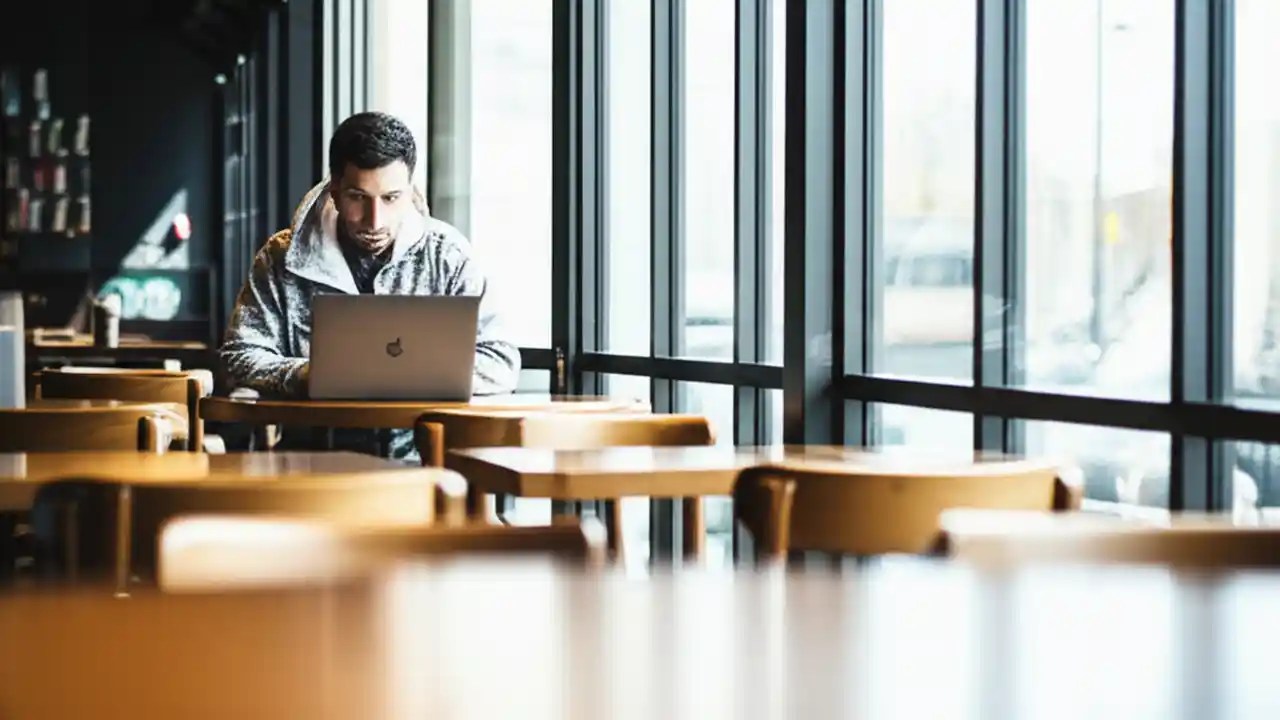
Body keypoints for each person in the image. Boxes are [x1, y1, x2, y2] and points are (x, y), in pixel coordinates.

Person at [220, 111, 520, 456]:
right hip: (308, 466)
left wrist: (395, 374)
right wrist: (311, 374)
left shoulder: (447, 255)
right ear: (334, 189)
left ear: (410, 190)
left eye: (391, 198)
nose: (375, 220)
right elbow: (238, 357)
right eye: (358, 197)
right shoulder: (280, 258)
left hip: (425, 469)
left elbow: (502, 362)